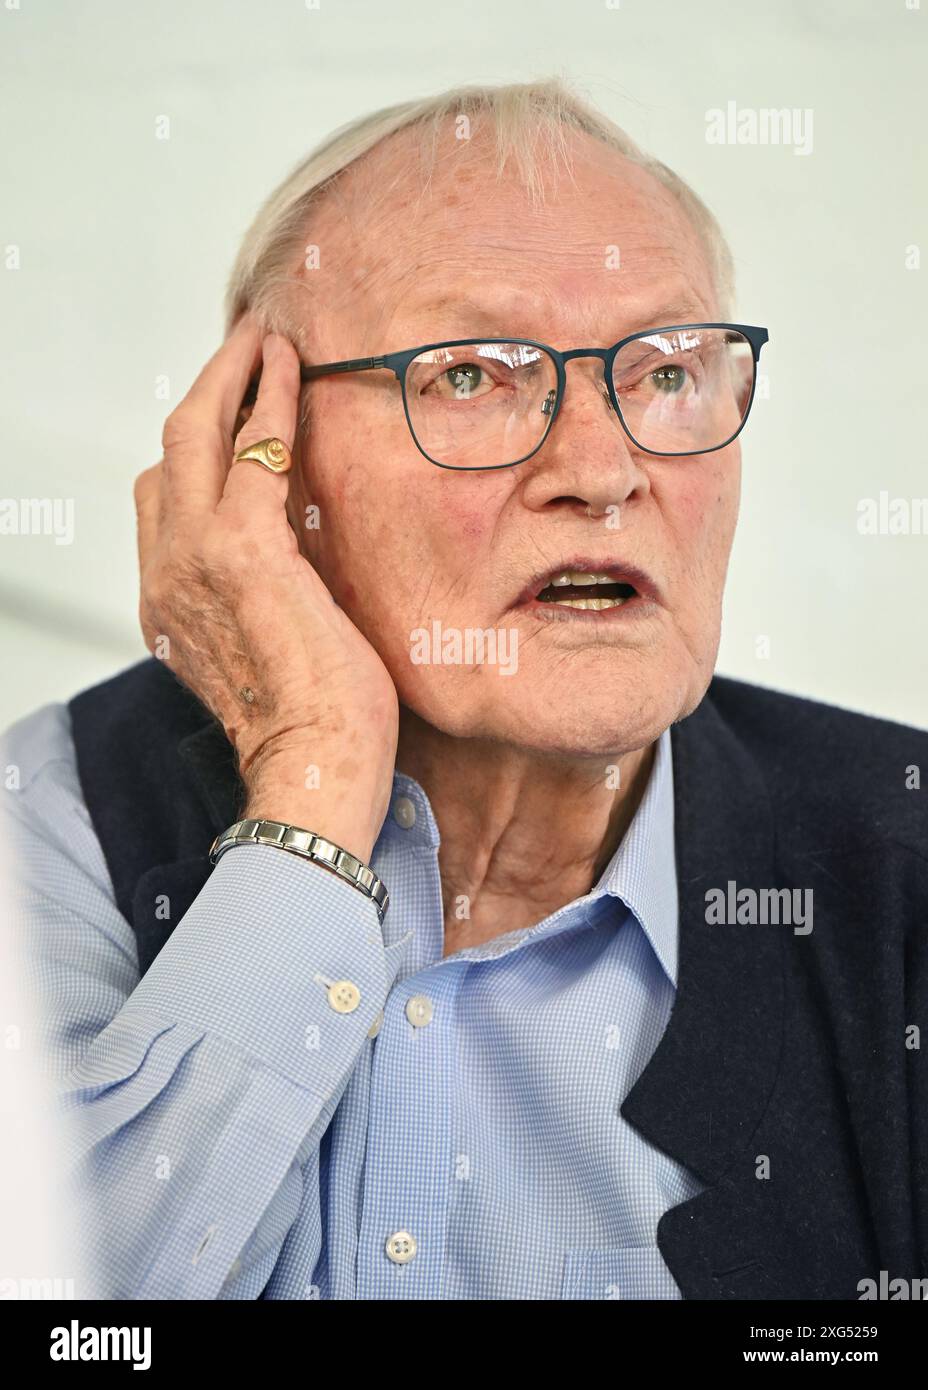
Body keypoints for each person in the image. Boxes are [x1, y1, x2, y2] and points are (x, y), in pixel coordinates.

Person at [3, 78, 926, 1301]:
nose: (602, 471)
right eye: (472, 375)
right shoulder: (46, 826)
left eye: (663, 373)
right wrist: (315, 775)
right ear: (255, 449)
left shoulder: (901, 856)